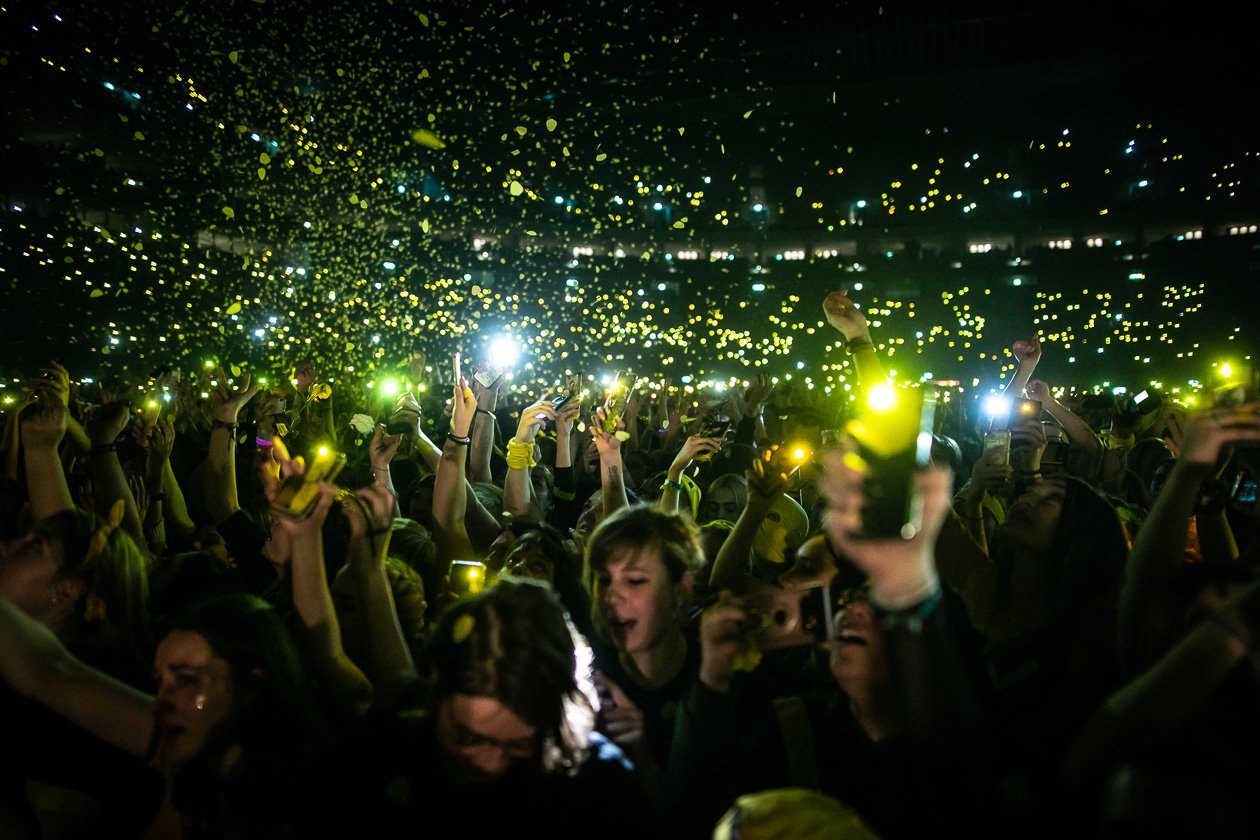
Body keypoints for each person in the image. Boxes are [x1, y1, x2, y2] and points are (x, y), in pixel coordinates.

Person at [315, 578, 655, 838]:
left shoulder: (600, 786)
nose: (490, 764)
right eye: (468, 737)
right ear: (436, 682)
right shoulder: (375, 758)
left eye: (520, 745)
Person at [0, 591, 330, 838]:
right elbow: (48, 671)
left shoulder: (316, 801)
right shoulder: (178, 750)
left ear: (252, 682)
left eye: (186, 680)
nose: (161, 700)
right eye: (159, 681)